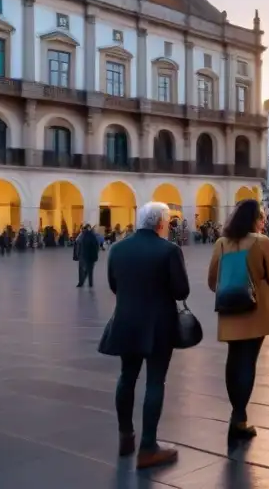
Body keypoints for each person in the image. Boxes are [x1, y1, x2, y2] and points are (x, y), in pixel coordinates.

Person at [98, 201, 190, 470]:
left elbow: (114, 284)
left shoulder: (118, 248)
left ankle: (125, 437)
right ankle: (148, 447)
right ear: (161, 223)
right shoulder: (169, 250)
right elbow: (181, 291)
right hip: (159, 325)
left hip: (126, 320)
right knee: (155, 381)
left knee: (127, 377)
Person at [207, 199, 269, 442]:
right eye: (261, 217)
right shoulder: (262, 242)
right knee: (248, 362)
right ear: (254, 220)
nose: (264, 221)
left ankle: (237, 416)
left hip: (230, 310)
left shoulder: (222, 243)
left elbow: (213, 282)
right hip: (255, 311)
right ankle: (238, 418)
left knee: (233, 360)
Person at [74, 223, 101, 288]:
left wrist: (77, 254)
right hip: (88, 255)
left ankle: (82, 282)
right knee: (89, 270)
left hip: (84, 255)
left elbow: (77, 244)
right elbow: (96, 246)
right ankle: (88, 283)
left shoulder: (82, 235)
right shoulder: (89, 236)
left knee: (83, 269)